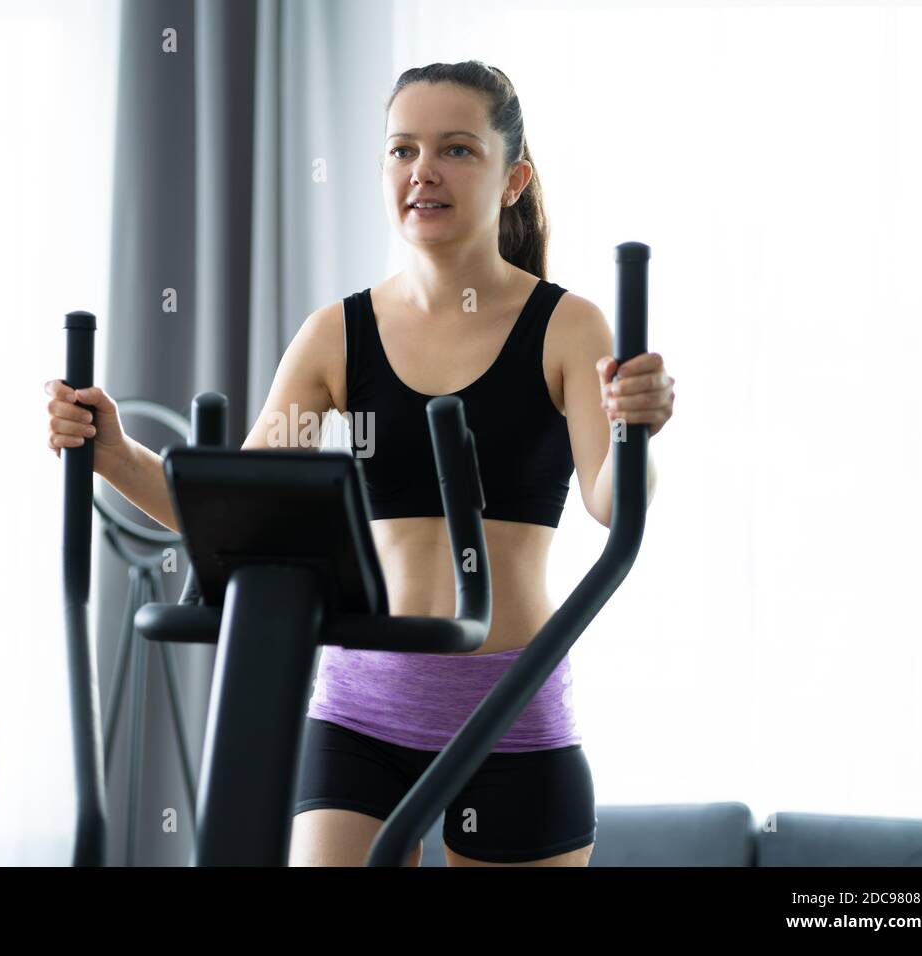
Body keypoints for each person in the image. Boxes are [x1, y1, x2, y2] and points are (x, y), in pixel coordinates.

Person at [45, 59, 675, 867]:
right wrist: (112, 453)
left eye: (456, 150)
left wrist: (637, 430)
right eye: (402, 150)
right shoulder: (338, 334)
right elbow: (239, 514)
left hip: (511, 713)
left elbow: (611, 500)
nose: (423, 172)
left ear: (513, 178)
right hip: (361, 719)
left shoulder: (568, 327)